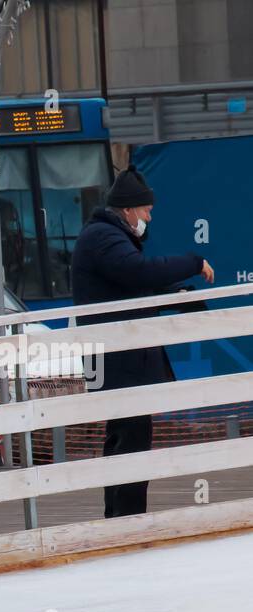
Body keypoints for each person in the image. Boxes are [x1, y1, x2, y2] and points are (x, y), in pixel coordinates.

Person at [71, 166, 213, 518]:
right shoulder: (104, 237)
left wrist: (177, 295)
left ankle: (122, 519)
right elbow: (138, 273)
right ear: (129, 209)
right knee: (130, 441)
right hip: (119, 361)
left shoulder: (104, 236)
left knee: (127, 438)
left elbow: (132, 286)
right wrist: (192, 263)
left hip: (118, 360)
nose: (149, 216)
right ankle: (126, 521)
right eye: (146, 209)